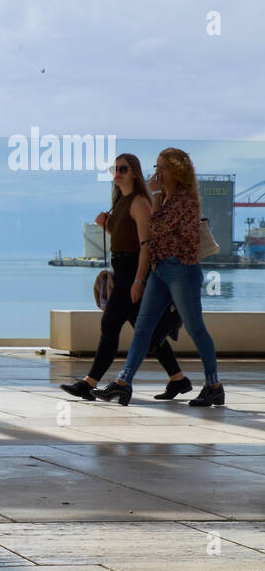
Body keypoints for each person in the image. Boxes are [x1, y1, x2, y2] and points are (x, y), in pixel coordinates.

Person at [94, 148, 225, 407]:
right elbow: (153, 232)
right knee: (143, 329)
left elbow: (158, 228)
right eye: (156, 167)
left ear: (177, 170)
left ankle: (214, 385)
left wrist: (154, 196)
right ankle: (122, 383)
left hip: (181, 271)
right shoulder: (162, 198)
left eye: (162, 167)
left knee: (196, 328)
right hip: (159, 270)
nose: (157, 173)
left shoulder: (185, 200)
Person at [61, 154, 189, 401]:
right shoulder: (120, 202)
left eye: (123, 168)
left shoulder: (140, 202)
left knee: (110, 326)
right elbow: (123, 237)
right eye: (115, 168)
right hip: (123, 271)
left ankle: (89, 383)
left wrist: (139, 281)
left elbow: (145, 246)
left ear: (134, 173)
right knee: (147, 333)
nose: (117, 172)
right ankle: (178, 379)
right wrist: (105, 226)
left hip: (132, 273)